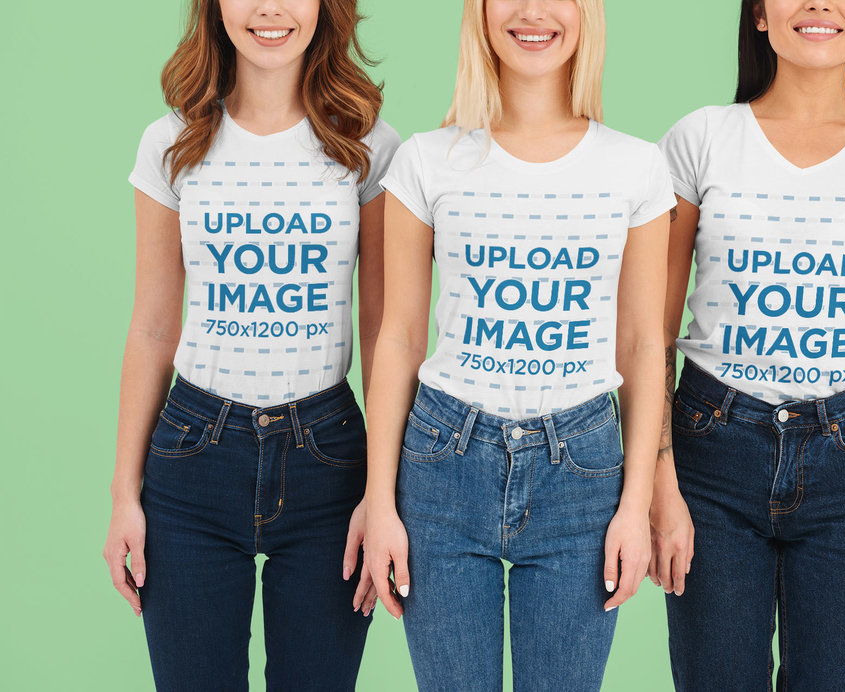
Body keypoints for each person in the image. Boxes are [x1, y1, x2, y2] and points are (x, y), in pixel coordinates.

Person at [360, 0, 674, 689]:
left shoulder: (637, 167)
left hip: (583, 473)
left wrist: (636, 503)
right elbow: (399, 337)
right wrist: (379, 500)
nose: (533, 12)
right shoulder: (426, 161)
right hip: (444, 464)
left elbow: (645, 345)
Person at [653, 1, 845, 689]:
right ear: (759, 15)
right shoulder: (700, 140)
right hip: (712, 456)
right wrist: (657, 486)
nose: (819, 3)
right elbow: (648, 338)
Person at [101, 1, 399, 688]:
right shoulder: (172, 142)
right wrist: (124, 494)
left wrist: (384, 493)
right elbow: (151, 326)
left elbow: (386, 333)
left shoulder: (368, 144)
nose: (270, 9)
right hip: (193, 454)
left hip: (329, 458)